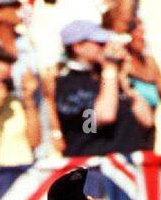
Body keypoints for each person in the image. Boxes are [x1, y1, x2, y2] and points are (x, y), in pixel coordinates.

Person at [54, 19, 153, 157]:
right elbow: (103, 117)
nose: (106, 47)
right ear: (77, 47)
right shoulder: (68, 84)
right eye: (100, 44)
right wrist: (110, 69)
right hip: (93, 169)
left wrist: (124, 81)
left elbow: (147, 120)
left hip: (127, 166)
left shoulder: (107, 78)